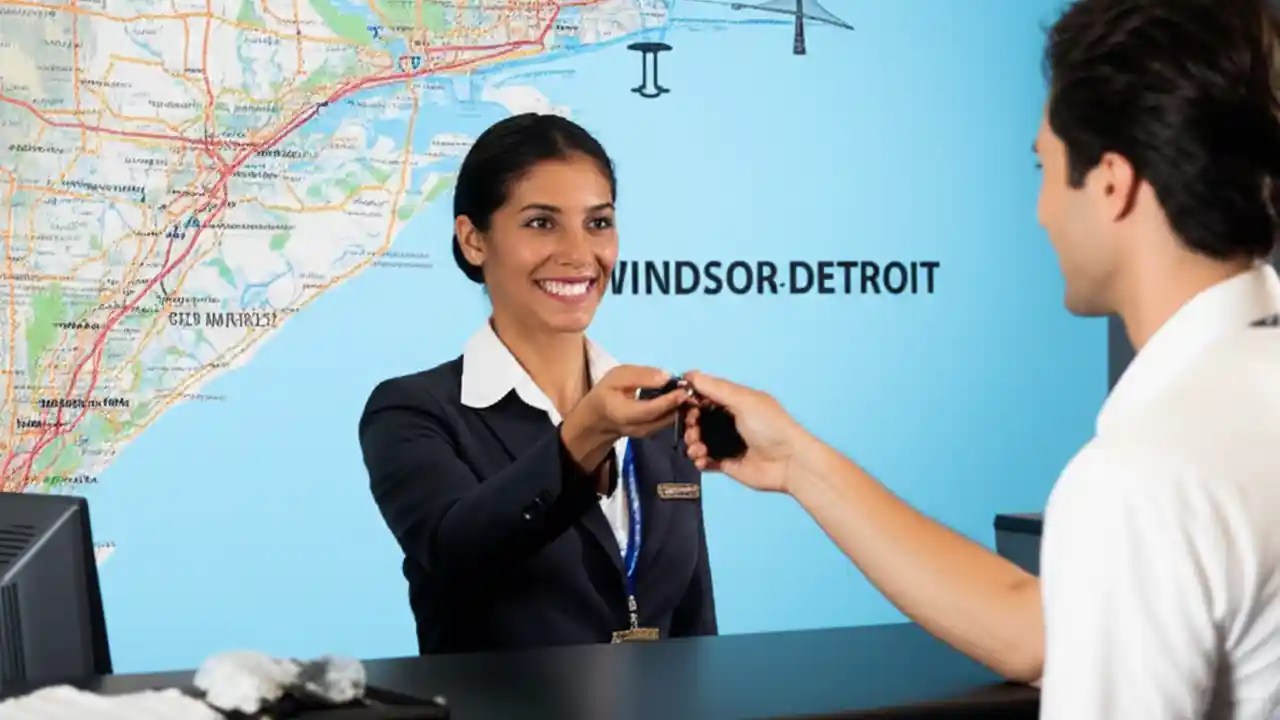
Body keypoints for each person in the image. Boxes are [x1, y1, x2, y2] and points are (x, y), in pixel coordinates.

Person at [679, 0, 1280, 717]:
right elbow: (1043, 629)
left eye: (1045, 169)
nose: (1041, 211)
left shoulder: (1142, 481)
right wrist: (798, 464)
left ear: (1113, 185)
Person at [358, 113, 716, 654]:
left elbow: (696, 633)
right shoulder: (413, 411)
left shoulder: (656, 411)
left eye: (598, 223)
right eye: (541, 223)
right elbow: (455, 549)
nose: (578, 254)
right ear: (474, 240)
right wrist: (584, 437)